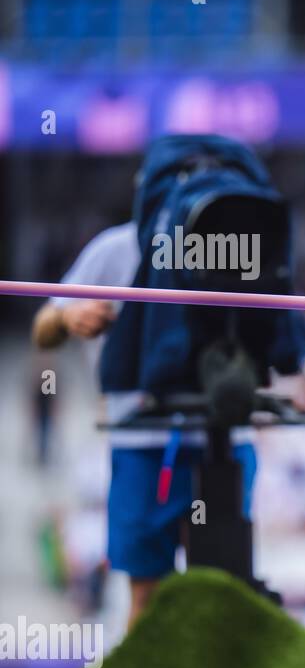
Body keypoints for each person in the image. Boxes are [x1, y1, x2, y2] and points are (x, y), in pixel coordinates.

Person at [30, 223, 258, 626]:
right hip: (142, 447)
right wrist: (68, 317)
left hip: (226, 441)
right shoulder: (115, 248)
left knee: (223, 597)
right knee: (147, 599)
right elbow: (43, 327)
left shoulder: (240, 236)